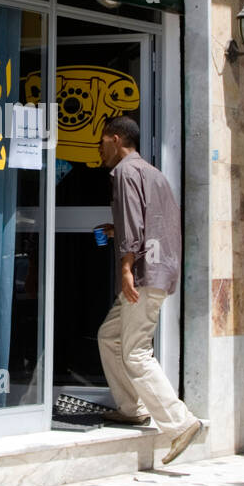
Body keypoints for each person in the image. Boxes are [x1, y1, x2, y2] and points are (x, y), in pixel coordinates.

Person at [95, 115, 203, 466]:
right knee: (109, 337)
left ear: (115, 139)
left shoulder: (126, 172)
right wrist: (120, 233)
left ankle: (180, 423)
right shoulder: (154, 174)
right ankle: (132, 408)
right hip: (160, 269)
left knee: (136, 352)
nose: (99, 150)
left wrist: (126, 266)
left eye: (101, 142)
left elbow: (133, 222)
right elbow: (151, 222)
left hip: (143, 274)